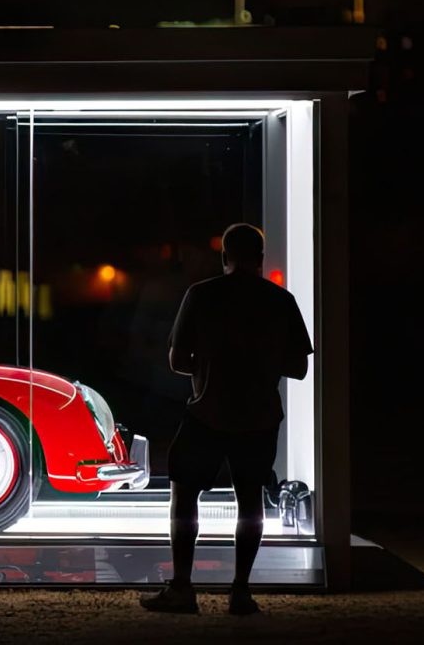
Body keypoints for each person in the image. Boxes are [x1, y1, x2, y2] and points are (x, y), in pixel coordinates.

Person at [141, 223, 313, 617]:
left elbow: (177, 360)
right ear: (260, 259)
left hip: (208, 411)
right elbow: (299, 367)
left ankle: (182, 587)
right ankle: (240, 591)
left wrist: (210, 368)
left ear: (224, 256)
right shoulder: (280, 300)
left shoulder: (201, 295)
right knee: (250, 501)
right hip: (260, 416)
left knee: (185, 496)